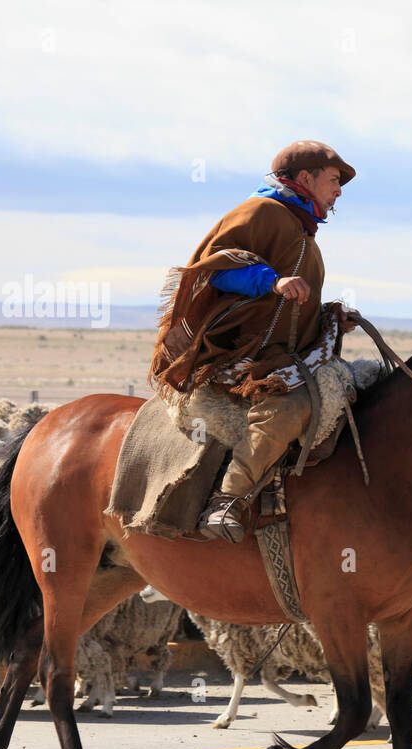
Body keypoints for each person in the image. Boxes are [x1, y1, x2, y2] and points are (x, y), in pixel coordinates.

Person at [149, 140, 362, 542]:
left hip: (280, 352)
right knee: (288, 408)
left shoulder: (302, 229)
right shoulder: (262, 211)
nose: (339, 191)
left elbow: (289, 310)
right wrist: (272, 281)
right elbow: (216, 269)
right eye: (334, 180)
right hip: (240, 354)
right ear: (305, 178)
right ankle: (227, 500)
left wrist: (331, 316)